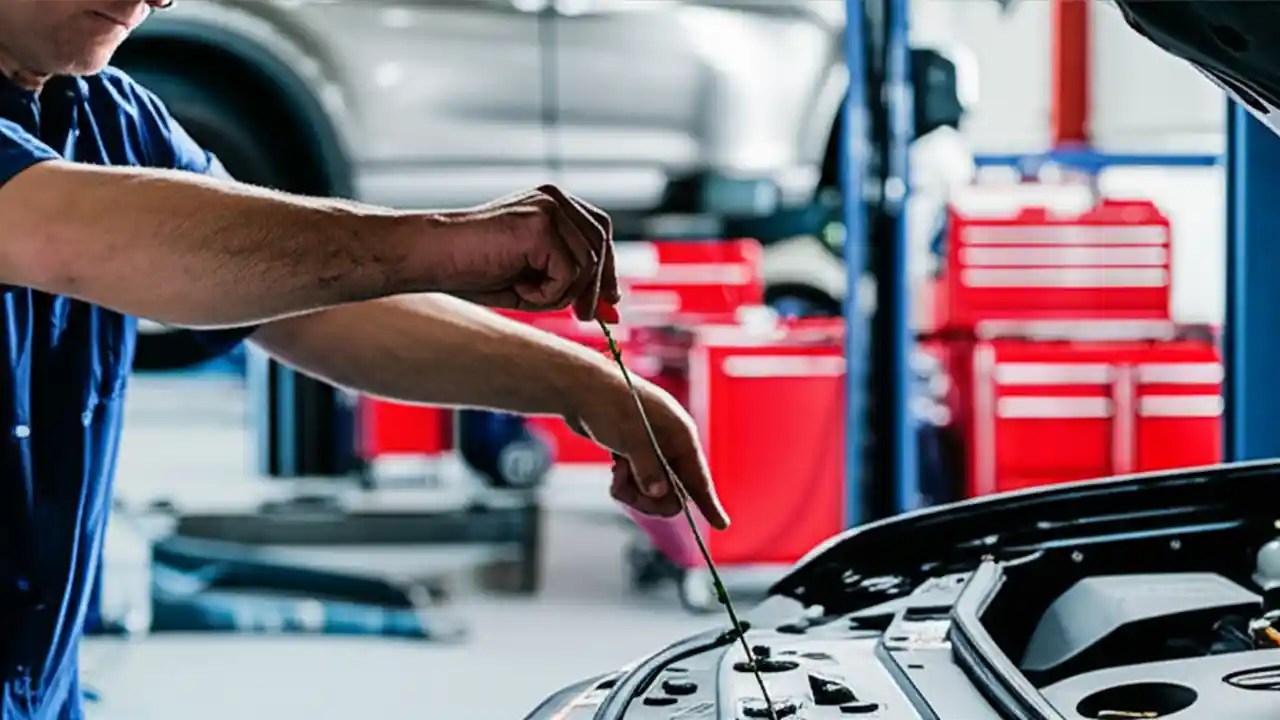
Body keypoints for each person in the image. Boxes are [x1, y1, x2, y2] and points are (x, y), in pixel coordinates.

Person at [0, 1, 730, 717]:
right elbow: (67, 229)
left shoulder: (106, 119)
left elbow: (310, 301)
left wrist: (587, 385)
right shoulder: (63, 189)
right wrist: (438, 243)